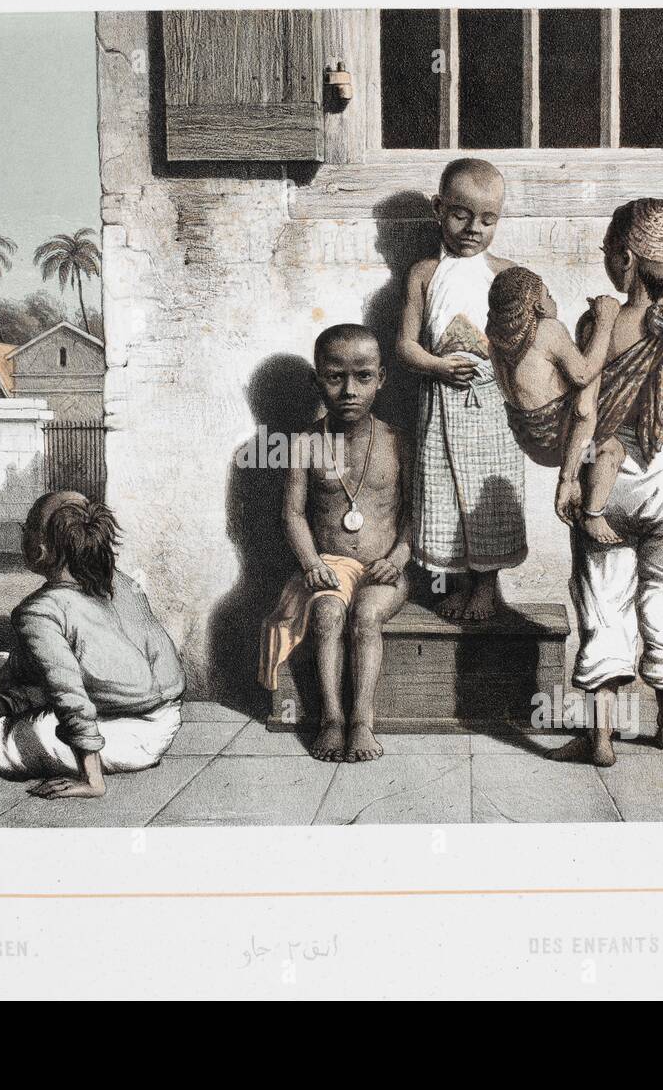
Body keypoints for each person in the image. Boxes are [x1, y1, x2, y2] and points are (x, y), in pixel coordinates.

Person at [552, 197, 663, 766]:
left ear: (625, 258)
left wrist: (567, 479)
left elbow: (584, 412)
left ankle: (601, 738)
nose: (607, 256)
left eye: (610, 248)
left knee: (603, 599)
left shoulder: (596, 323)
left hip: (608, 481)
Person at [0, 491, 186, 799]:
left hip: (132, 734)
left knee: (40, 731)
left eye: (27, 527)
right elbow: (45, 662)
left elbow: (70, 695)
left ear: (40, 550)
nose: (22, 534)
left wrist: (91, 780)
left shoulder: (40, 611)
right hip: (160, 713)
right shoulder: (117, 580)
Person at [259, 325, 410, 763]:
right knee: (326, 612)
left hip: (386, 571)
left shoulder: (398, 441)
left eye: (363, 377)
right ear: (316, 381)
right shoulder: (305, 443)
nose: (349, 390)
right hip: (327, 565)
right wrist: (309, 562)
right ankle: (331, 719)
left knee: (365, 615)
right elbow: (292, 513)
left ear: (381, 378)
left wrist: (399, 557)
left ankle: (362, 719)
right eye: (334, 377)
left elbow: (416, 513)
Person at [396, 158, 527, 620]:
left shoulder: (507, 274)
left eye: (488, 219)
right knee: (443, 491)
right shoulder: (424, 273)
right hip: (440, 399)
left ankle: (486, 588)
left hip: (493, 405)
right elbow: (404, 347)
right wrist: (437, 366)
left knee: (485, 497)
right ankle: (452, 587)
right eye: (460, 214)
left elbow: (529, 342)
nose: (473, 228)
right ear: (438, 208)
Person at [485, 265, 623, 542]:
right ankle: (590, 509)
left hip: (532, 445)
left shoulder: (496, 342)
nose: (552, 300)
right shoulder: (547, 330)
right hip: (562, 442)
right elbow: (583, 373)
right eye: (548, 295)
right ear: (538, 306)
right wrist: (606, 322)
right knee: (603, 426)